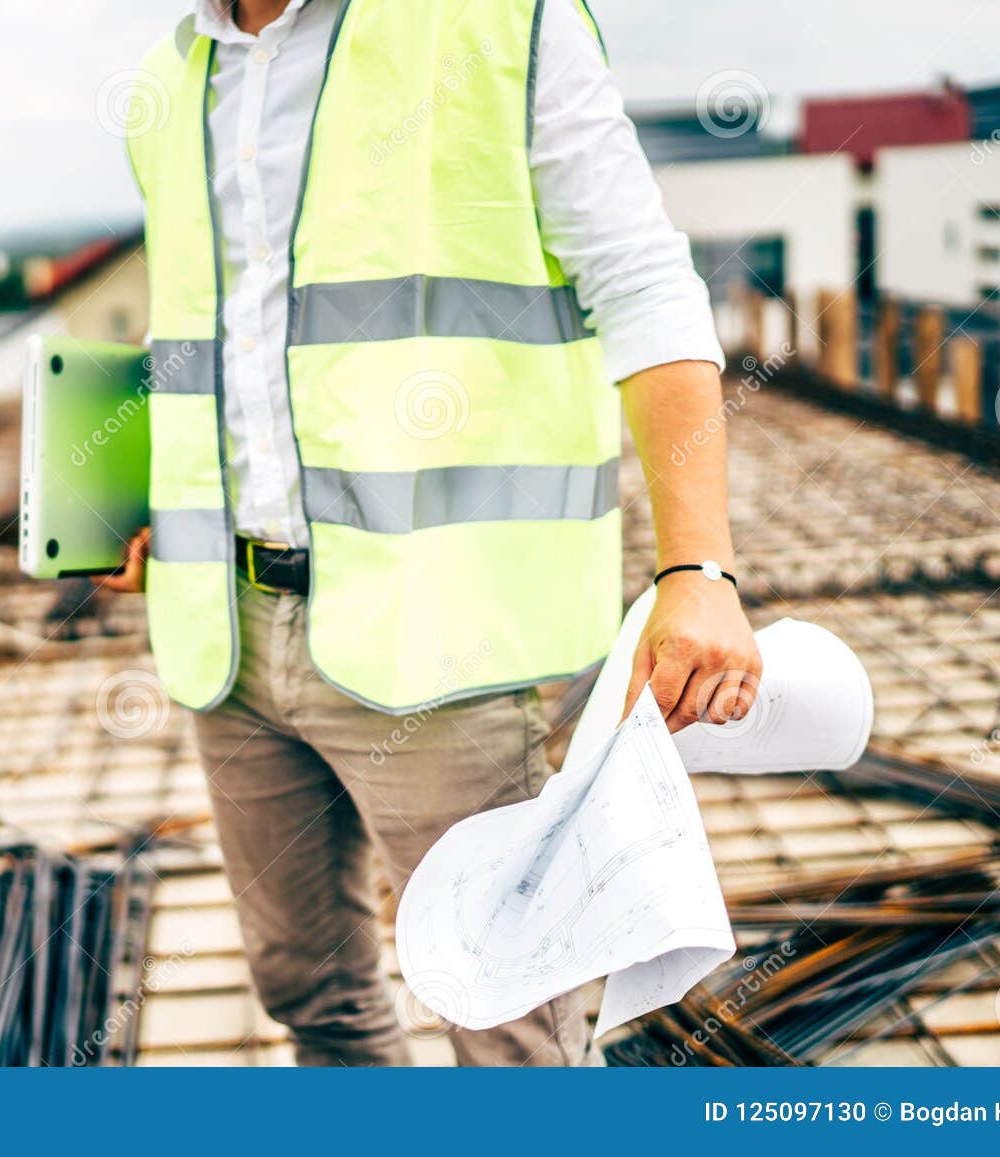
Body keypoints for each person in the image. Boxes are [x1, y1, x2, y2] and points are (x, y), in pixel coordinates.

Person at [97, 0, 761, 1066]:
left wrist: (697, 567)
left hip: (442, 637)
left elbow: (643, 286)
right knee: (313, 997)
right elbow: (211, 335)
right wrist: (149, 501)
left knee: (509, 1026)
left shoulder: (495, 22)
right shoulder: (171, 81)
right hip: (226, 632)